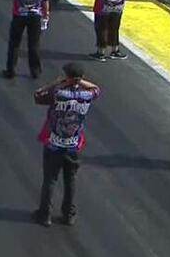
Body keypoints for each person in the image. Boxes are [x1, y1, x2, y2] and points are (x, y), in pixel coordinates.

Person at [32, 63, 100, 227]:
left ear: (67, 77)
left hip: (54, 143)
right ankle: (69, 215)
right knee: (70, 180)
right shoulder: (87, 95)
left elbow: (38, 95)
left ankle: (45, 215)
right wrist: (79, 81)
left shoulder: (58, 93)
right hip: (73, 144)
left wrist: (56, 82)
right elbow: (96, 89)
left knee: (50, 179)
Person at [4, 0, 49, 79]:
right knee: (34, 45)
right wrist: (46, 15)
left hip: (19, 15)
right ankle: (35, 71)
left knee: (14, 44)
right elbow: (45, 1)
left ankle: (11, 70)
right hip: (35, 16)